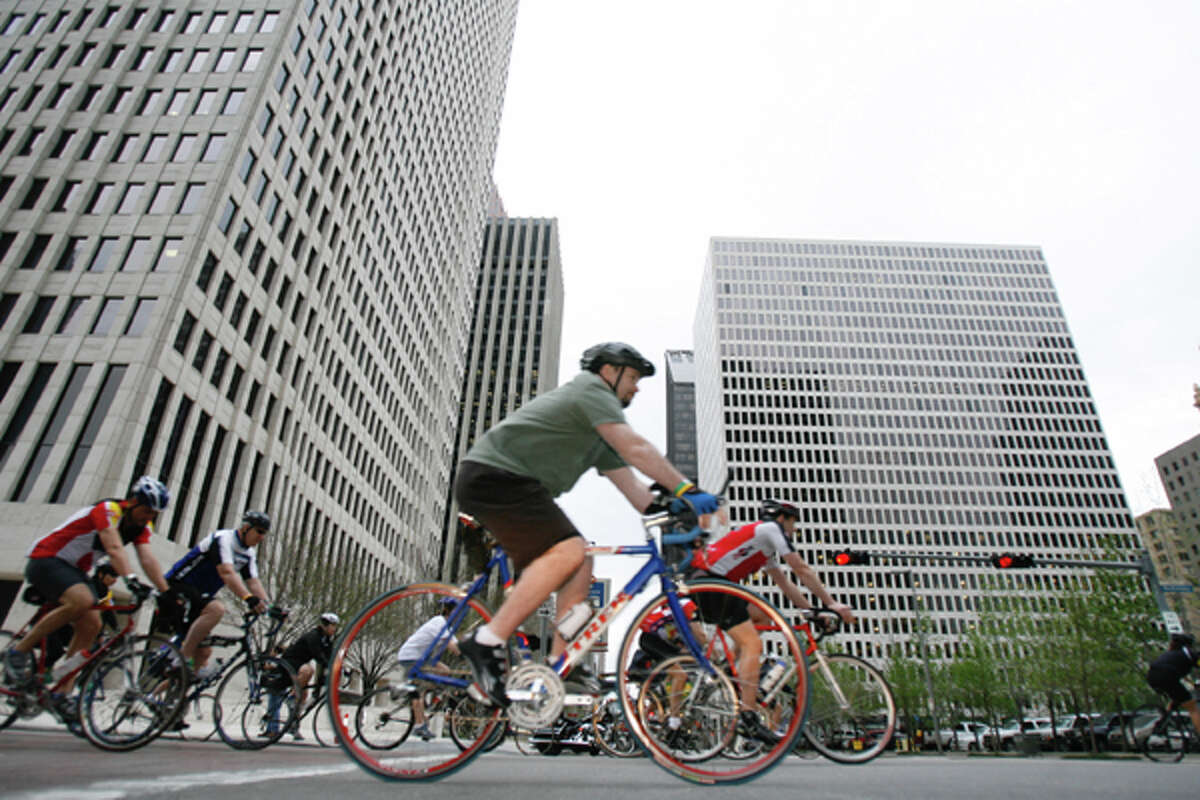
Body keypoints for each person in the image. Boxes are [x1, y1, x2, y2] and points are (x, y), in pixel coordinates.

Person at [453, 342, 720, 707]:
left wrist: (675, 505)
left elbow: (636, 492)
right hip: (493, 476)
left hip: (517, 485)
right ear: (608, 371)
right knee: (569, 549)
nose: (637, 387)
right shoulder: (590, 390)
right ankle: (486, 640)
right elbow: (635, 448)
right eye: (633, 377)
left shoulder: (597, 437)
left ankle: (560, 661)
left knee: (583, 562)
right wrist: (686, 487)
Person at [688, 498, 857, 743]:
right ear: (782, 518)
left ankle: (729, 665)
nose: (794, 529)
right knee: (753, 644)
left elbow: (785, 583)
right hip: (712, 583)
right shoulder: (770, 529)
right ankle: (748, 716)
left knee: (763, 614)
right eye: (793, 522)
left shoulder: (761, 545)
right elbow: (801, 569)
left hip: (712, 584)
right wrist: (832, 604)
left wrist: (811, 611)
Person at [3, 477, 171, 686]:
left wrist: (167, 593)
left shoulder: (141, 527)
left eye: (155, 514)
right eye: (147, 510)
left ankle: (61, 690)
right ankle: (18, 652)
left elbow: (147, 558)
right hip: (47, 558)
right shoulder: (109, 509)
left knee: (92, 625)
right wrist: (131, 579)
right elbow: (114, 548)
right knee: (82, 600)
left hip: (75, 570)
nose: (149, 517)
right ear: (133, 501)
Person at [160, 510, 273, 678]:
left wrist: (270, 607)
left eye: (264, 534)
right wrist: (248, 598)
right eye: (259, 531)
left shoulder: (249, 554)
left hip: (200, 597)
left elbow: (253, 582)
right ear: (246, 527)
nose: (261, 538)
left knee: (203, 653)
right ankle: (181, 660)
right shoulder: (223, 539)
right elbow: (226, 572)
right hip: (178, 586)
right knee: (216, 609)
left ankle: (169, 699)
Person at [396, 597, 461, 740]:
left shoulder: (447, 626)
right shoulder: (439, 622)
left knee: (445, 671)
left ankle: (427, 694)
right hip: (410, 656)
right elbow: (454, 647)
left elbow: (457, 645)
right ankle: (419, 725)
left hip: (422, 658)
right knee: (418, 690)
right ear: (451, 612)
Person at [278, 612, 339, 740]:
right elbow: (318, 656)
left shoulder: (327, 640)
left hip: (300, 665)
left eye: (335, 626)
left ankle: (293, 725)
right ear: (324, 625)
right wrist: (329, 666)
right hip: (290, 661)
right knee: (309, 670)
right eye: (332, 625)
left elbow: (331, 657)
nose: (334, 629)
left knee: (304, 697)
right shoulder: (313, 636)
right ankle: (291, 695)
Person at [1146, 632, 1200, 733]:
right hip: (1168, 677)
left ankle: (1162, 722)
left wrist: (1193, 683)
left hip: (1152, 676)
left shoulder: (1172, 654)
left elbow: (1179, 673)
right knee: (1192, 706)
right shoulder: (1191, 655)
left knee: (1176, 697)